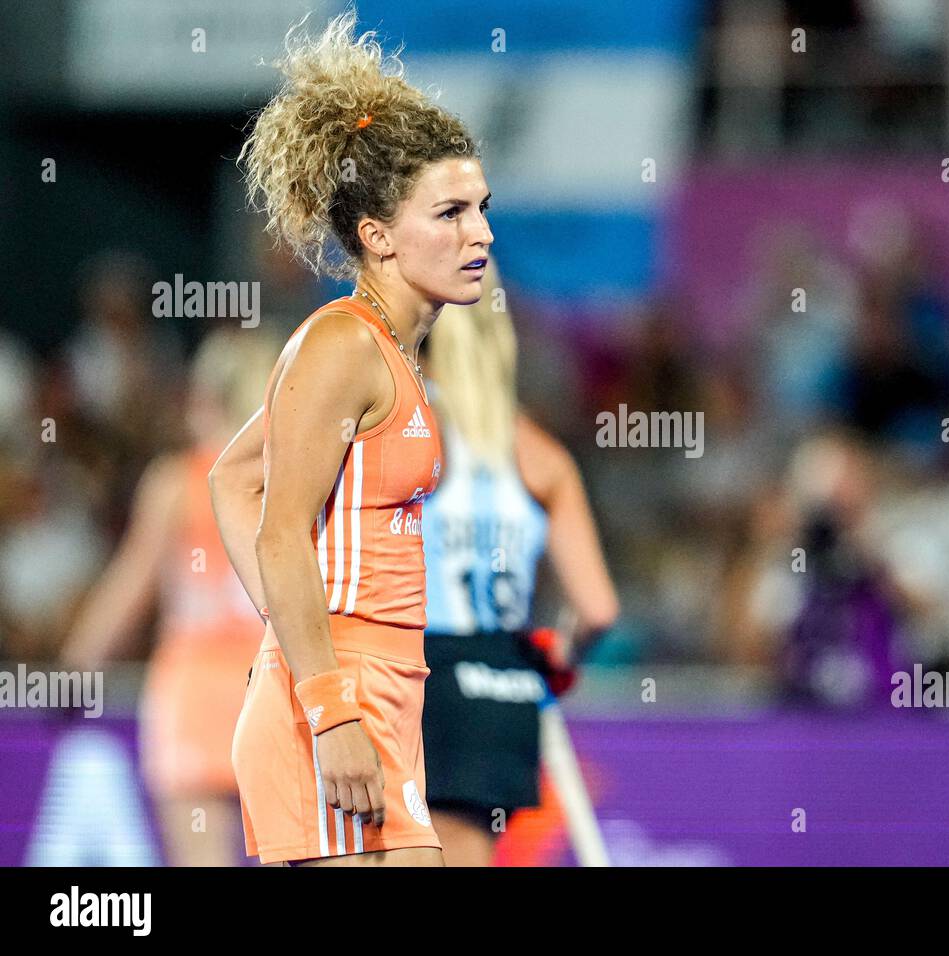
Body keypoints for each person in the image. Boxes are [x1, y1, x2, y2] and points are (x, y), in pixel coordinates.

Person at [208, 10, 490, 866]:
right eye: (449, 213)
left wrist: (301, 646)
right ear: (376, 237)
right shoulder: (341, 345)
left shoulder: (392, 352)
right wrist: (322, 695)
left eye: (481, 207)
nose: (480, 234)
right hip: (338, 707)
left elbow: (233, 476)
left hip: (385, 696)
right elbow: (277, 525)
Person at [419, 261, 619, 865]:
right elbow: (598, 610)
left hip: (418, 674)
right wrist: (558, 656)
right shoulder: (541, 454)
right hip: (503, 683)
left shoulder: (405, 427)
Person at [62, 330, 277, 866]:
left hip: (193, 697)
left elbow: (129, 588)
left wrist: (74, 665)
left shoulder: (175, 484)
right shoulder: (290, 482)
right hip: (273, 693)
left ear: (202, 399)